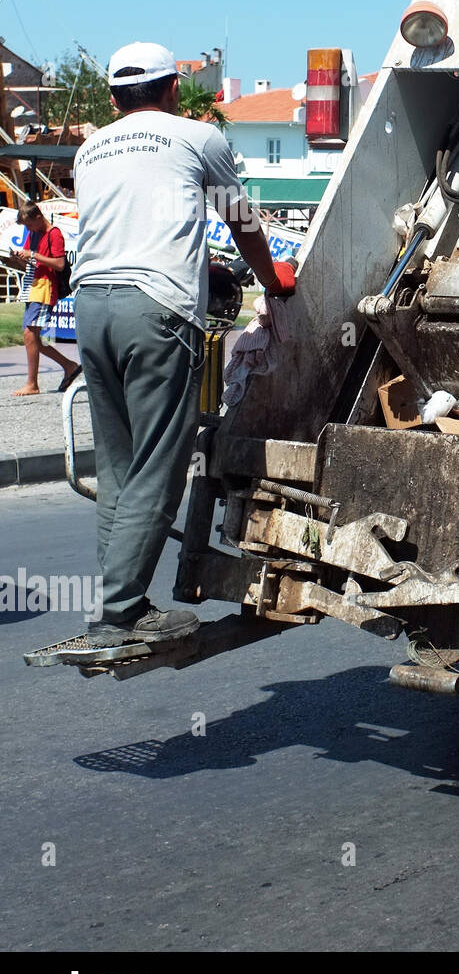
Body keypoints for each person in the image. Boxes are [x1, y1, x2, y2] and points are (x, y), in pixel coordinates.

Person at [73, 42, 297, 650]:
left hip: (90, 306)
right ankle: (120, 613)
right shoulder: (196, 138)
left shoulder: (91, 147)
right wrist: (272, 280)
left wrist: (209, 273)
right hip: (156, 311)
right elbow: (241, 220)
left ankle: (120, 597)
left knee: (119, 464)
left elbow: (132, 226)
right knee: (162, 460)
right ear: (173, 89)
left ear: (115, 98)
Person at [6, 201, 81, 396]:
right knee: (33, 338)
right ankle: (69, 365)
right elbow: (30, 262)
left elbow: (59, 264)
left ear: (38, 217)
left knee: (30, 334)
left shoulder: (54, 233)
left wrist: (33, 254)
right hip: (33, 285)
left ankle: (32, 383)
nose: (28, 229)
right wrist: (17, 258)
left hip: (46, 287)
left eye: (29, 224)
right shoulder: (34, 233)